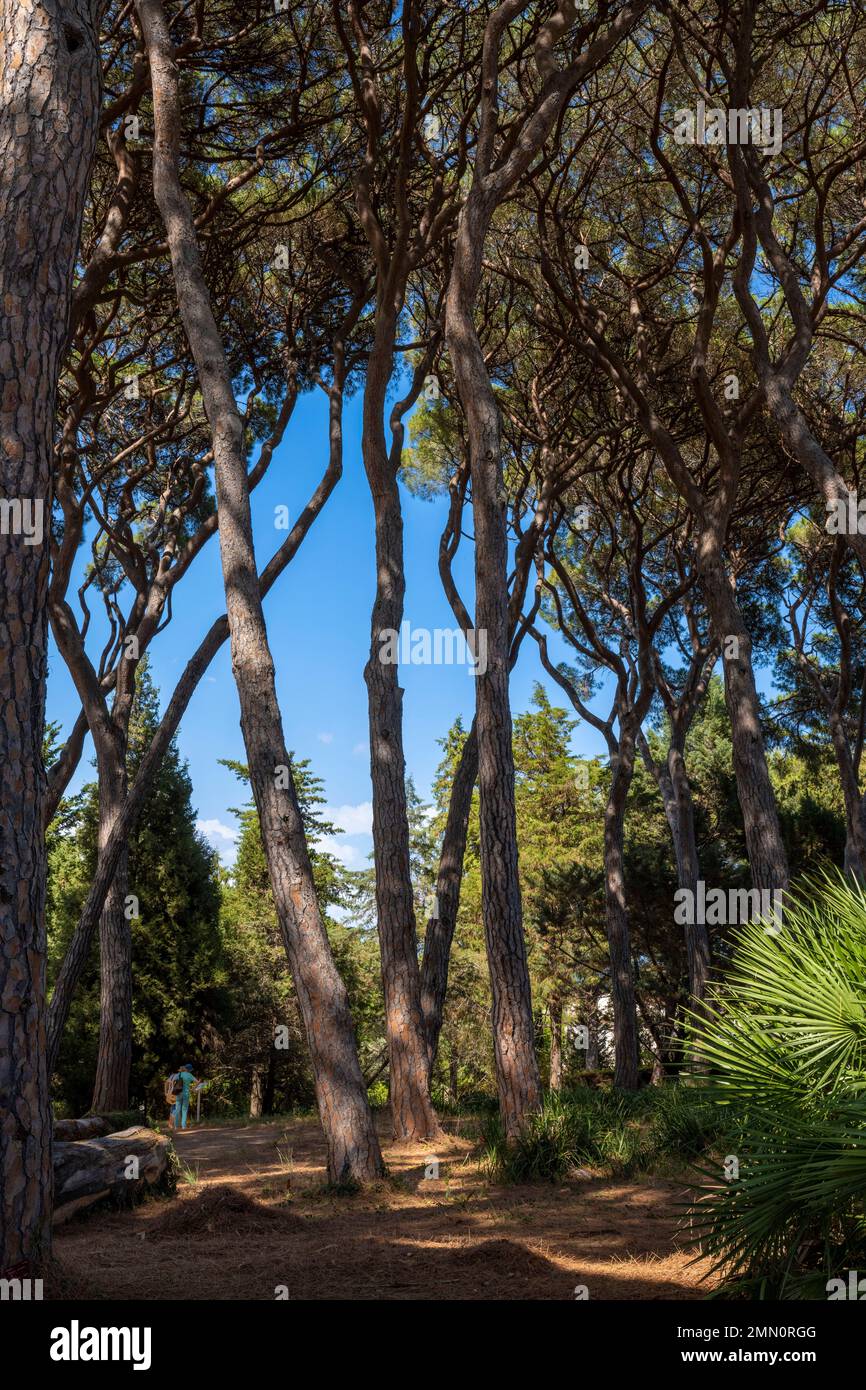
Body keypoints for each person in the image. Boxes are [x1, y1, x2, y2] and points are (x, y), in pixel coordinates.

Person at [171, 1064, 201, 1132]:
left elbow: (172, 1081)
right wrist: (193, 1088)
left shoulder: (179, 1074)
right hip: (186, 1094)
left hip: (178, 1093)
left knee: (177, 1109)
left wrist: (174, 1088)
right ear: (189, 1069)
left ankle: (176, 1126)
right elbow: (197, 1082)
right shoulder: (190, 1075)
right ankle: (183, 1126)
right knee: (184, 1110)